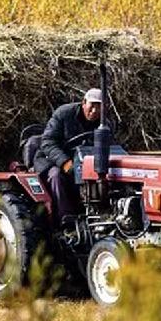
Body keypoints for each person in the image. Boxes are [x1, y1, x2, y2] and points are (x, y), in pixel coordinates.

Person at [34, 88, 103, 224]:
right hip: (54, 160)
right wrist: (64, 162)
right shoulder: (64, 114)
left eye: (99, 107)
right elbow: (48, 142)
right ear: (84, 102)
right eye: (92, 105)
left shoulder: (104, 124)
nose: (94, 111)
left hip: (84, 163)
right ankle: (66, 220)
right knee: (56, 175)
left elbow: (110, 146)